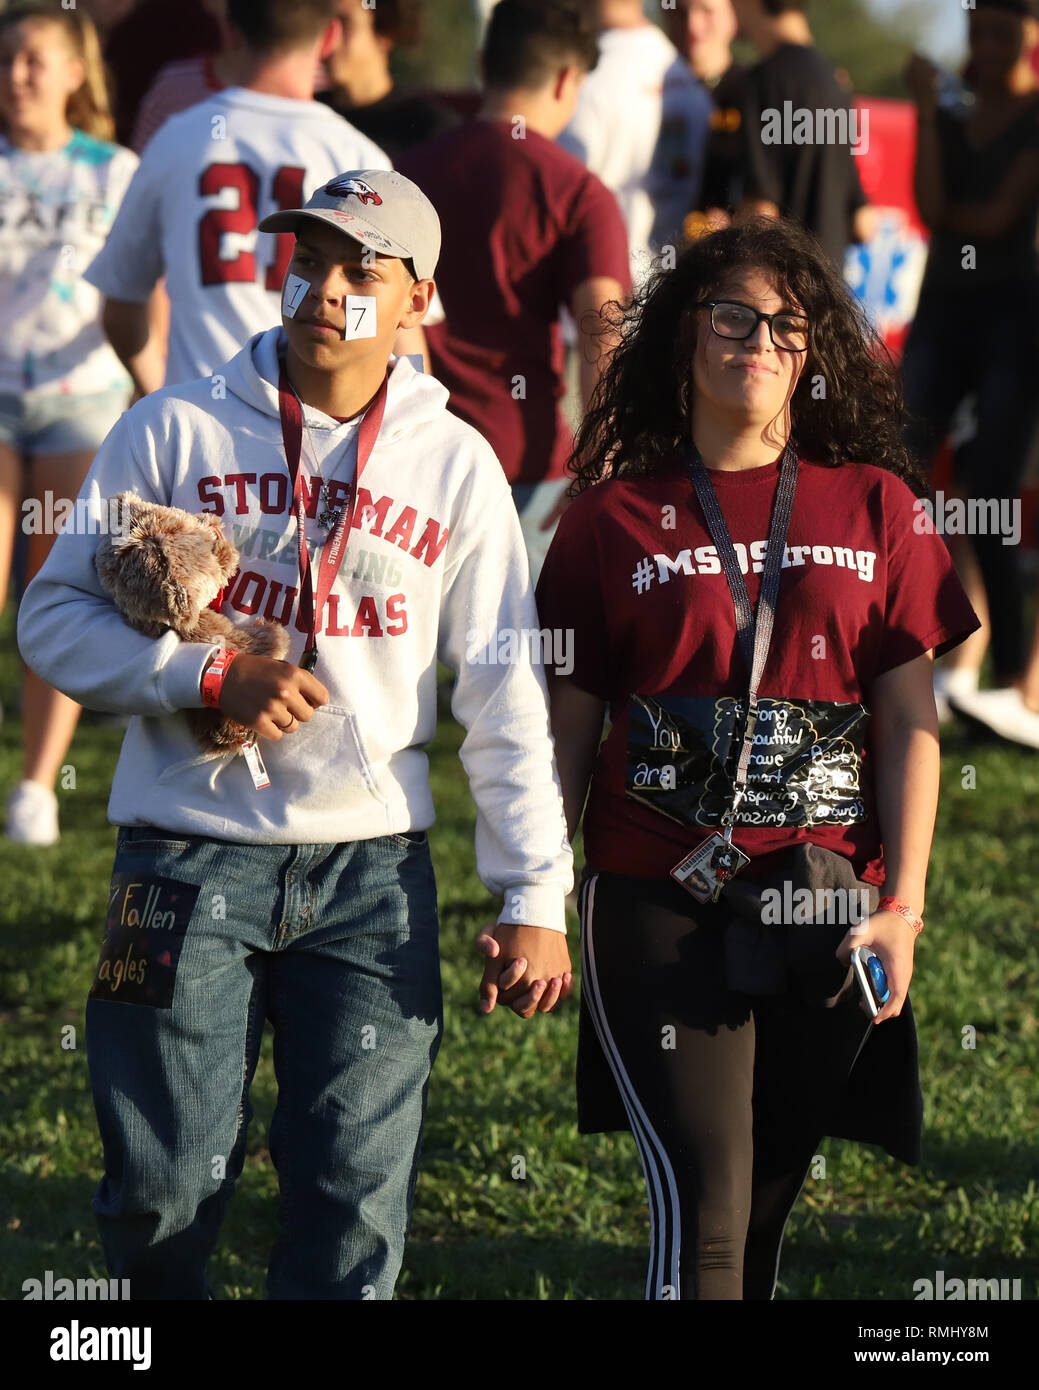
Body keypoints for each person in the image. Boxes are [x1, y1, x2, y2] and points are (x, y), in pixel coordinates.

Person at [17, 167, 575, 1299]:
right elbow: (50, 617)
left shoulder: (455, 463)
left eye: (361, 270)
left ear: (419, 300)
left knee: (352, 1201)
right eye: (309, 259)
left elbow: (504, 695)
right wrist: (201, 671)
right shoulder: (169, 424)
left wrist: (533, 895)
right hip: (180, 851)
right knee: (161, 1185)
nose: (326, 287)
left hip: (370, 877)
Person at [534, 216, 979, 1299]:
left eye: (788, 325)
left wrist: (903, 906)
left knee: (766, 1204)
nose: (759, 341)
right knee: (708, 1202)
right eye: (734, 314)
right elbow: (563, 728)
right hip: (656, 892)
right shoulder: (606, 518)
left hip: (825, 899)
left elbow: (909, 726)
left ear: (814, 355)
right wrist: (533, 893)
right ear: (688, 330)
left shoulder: (879, 505)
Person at [397, 0, 630, 584]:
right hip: (524, 464)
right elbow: (603, 325)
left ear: (483, 63)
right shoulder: (578, 191)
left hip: (411, 456)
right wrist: (599, 460)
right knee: (523, 661)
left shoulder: (404, 173)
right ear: (565, 79)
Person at [83, 0, 406, 393]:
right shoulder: (356, 154)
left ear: (230, 32)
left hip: (203, 417)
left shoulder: (177, 138)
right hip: (318, 422)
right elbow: (401, 322)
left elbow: (121, 305)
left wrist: (164, 396)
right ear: (329, 37)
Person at [0, 1, 138, 845]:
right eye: (6, 59)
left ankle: (36, 788)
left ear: (74, 72)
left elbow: (136, 291)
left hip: (82, 394)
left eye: (32, 60)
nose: (16, 76)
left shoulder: (114, 171)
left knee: (53, 589)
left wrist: (157, 391)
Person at [902, 0, 1039, 720]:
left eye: (1002, 29)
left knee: (989, 493)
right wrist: (928, 113)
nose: (985, 44)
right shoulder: (949, 109)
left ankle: (1015, 681)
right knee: (892, 467)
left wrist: (939, 112)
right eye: (976, 29)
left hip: (1012, 322)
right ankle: (898, 647)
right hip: (942, 312)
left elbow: (994, 217)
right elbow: (929, 205)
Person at [558, 0, 712, 289]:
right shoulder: (682, 74)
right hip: (670, 291)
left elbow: (561, 202)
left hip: (600, 299)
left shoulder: (584, 82)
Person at [731, 0, 872, 268]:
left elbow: (760, 212)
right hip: (828, 292)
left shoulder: (763, 81)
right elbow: (864, 222)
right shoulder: (836, 83)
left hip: (779, 290)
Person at [317, 0, 459, 163]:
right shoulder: (304, 113)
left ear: (384, 35)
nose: (329, 35)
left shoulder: (430, 128)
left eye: (345, 23)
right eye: (325, 23)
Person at [663, 0, 749, 235]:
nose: (693, 25)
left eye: (707, 11)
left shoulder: (754, 95)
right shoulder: (647, 90)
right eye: (681, 12)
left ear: (735, 15)